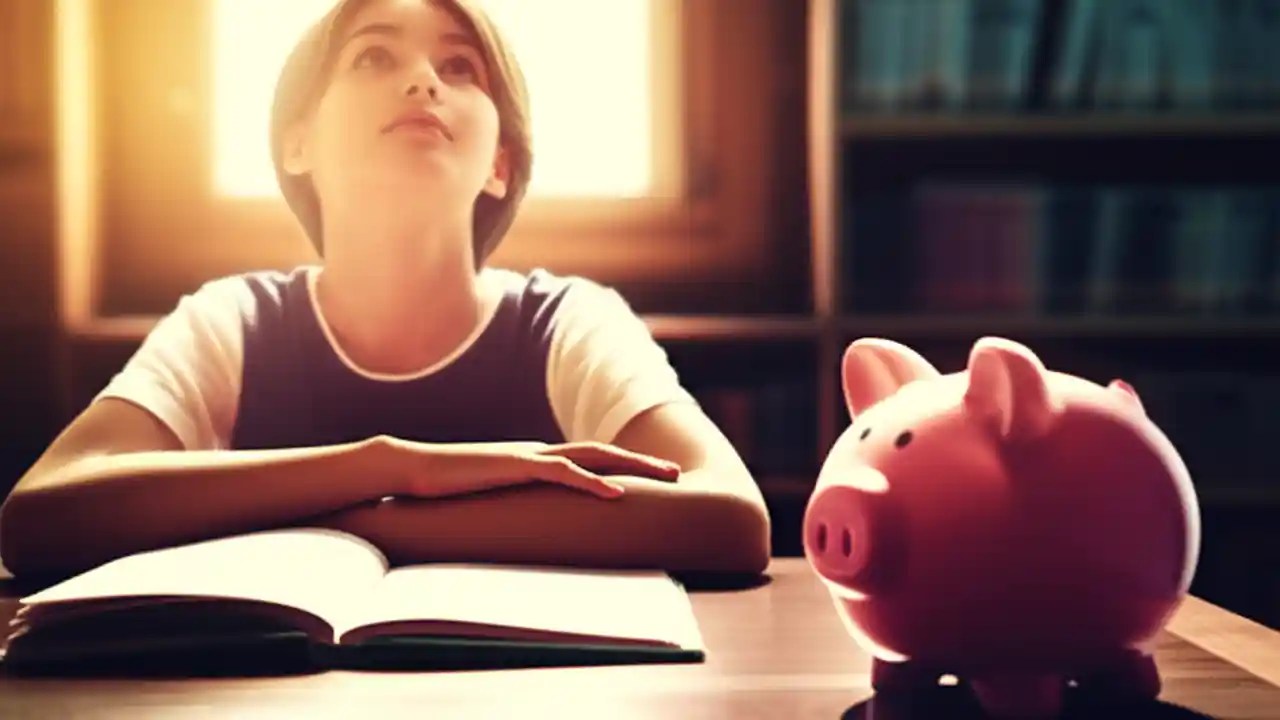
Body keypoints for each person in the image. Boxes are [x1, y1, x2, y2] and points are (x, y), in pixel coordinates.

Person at [0, 0, 770, 578]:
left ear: (500, 161)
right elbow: (37, 520)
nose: (422, 80)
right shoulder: (229, 322)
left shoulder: (567, 322)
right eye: (372, 57)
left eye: (460, 68)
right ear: (295, 141)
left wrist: (370, 519)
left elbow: (729, 522)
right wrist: (390, 465)